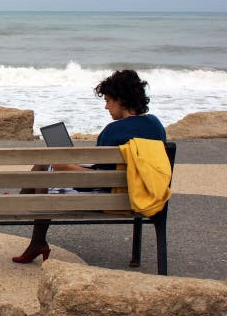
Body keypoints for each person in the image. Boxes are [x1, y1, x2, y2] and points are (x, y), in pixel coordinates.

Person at [11, 69, 166, 264]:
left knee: (46, 168)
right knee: (51, 166)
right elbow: (108, 172)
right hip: (143, 193)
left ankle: (24, 217)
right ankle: (24, 208)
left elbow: (95, 182)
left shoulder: (113, 131)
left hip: (110, 200)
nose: (106, 107)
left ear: (121, 100)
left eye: (108, 100)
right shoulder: (156, 125)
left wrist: (68, 168)